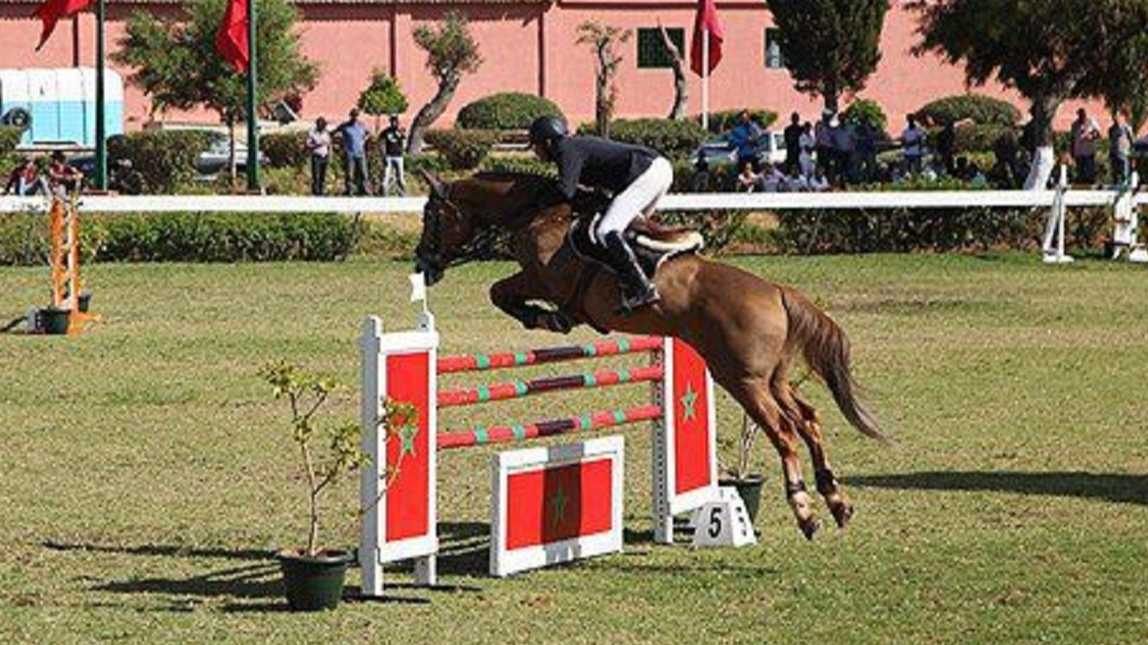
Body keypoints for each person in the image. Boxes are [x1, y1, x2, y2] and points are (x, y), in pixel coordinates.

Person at [527, 115, 670, 312]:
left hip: (646, 172)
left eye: (536, 146)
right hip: (658, 169)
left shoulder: (565, 148)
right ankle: (645, 272)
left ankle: (641, 288)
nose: (535, 152)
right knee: (628, 229)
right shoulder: (574, 146)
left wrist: (537, 200)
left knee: (606, 230)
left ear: (548, 142)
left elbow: (566, 191)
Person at [337, 108, 371, 196]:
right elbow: (334, 132)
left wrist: (364, 140)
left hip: (360, 152)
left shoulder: (361, 125)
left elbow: (369, 133)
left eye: (356, 115)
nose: (355, 117)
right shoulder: (345, 126)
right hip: (350, 153)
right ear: (350, 116)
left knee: (364, 173)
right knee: (350, 173)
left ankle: (365, 190)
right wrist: (341, 143)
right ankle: (350, 190)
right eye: (353, 115)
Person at [1070, 108, 1100, 184]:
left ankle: (1090, 183)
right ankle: (1081, 183)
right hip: (1078, 152)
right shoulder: (1075, 124)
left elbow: (1098, 134)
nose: (1081, 116)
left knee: (1089, 171)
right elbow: (1072, 138)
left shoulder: (1091, 122)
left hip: (1088, 152)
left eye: (1083, 115)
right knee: (1080, 171)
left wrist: (1091, 136)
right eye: (1079, 115)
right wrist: (1072, 151)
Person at [380, 115, 407, 197]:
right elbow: (381, 142)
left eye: (395, 122)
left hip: (399, 156)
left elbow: (404, 140)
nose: (394, 123)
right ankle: (384, 194)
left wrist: (400, 134)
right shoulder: (386, 131)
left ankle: (403, 194)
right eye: (392, 122)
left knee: (401, 177)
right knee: (386, 176)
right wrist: (383, 154)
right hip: (389, 156)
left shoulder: (400, 131)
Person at [305, 117, 331, 196]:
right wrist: (317, 145)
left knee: (323, 175)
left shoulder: (326, 133)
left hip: (324, 156)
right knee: (316, 175)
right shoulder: (312, 133)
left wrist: (329, 154)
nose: (322, 127)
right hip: (316, 156)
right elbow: (308, 145)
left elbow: (329, 144)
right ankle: (316, 192)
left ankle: (322, 191)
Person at [1109, 112, 1135, 186]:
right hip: (1114, 152)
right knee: (1115, 171)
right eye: (1114, 117)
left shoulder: (1126, 128)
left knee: (1124, 170)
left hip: (1124, 152)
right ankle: (1115, 185)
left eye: (1117, 116)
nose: (1116, 118)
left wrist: (1132, 151)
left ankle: (1125, 185)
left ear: (1121, 117)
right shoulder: (1111, 129)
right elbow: (1111, 140)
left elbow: (1132, 140)